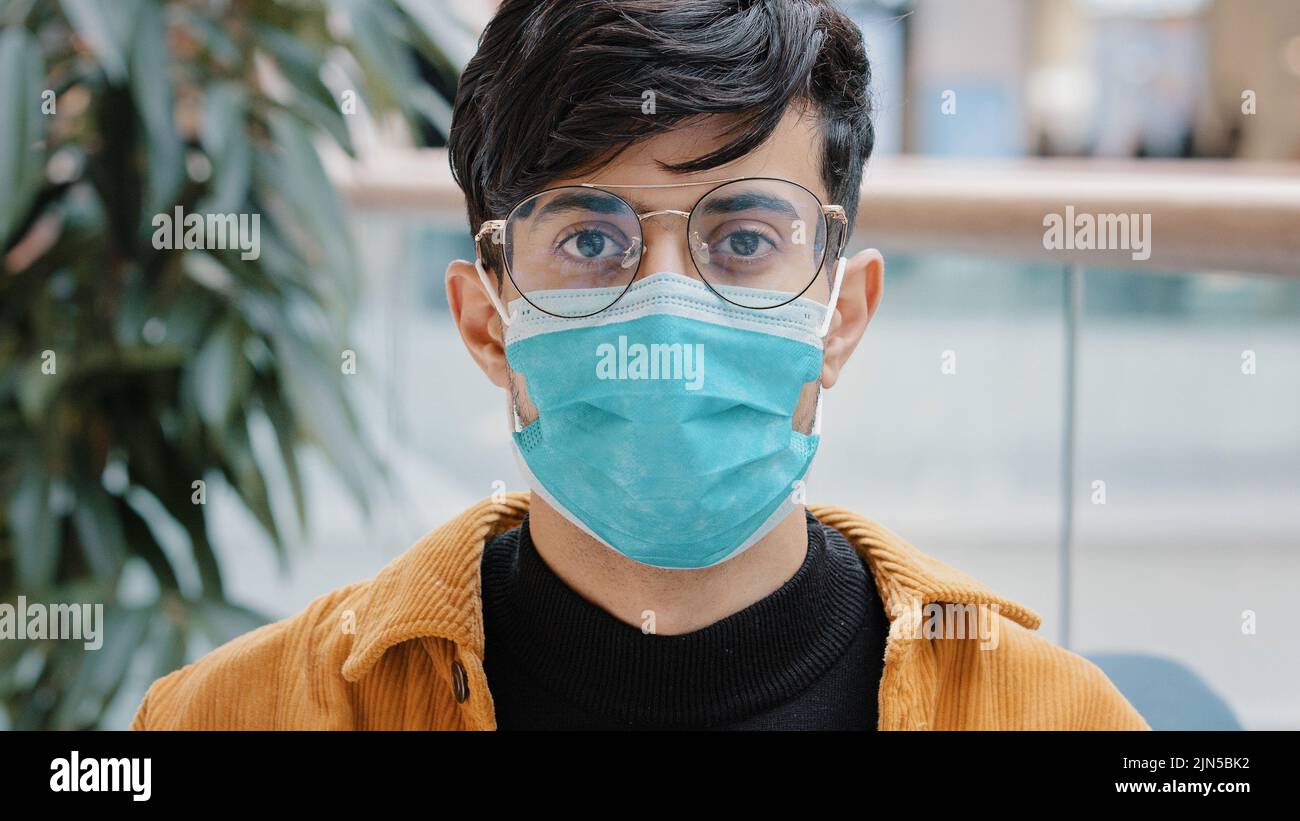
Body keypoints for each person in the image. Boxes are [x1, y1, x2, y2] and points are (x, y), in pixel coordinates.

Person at [130, 0, 1148, 731]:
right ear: (486, 323)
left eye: (744, 239)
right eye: (587, 241)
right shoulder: (232, 715)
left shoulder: (1056, 717)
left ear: (843, 315)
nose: (664, 311)